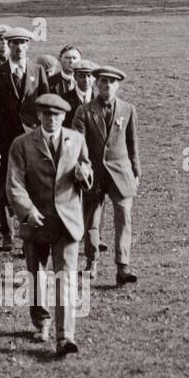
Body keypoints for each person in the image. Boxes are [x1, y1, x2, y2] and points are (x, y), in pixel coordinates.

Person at [6, 94, 93, 357]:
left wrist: (84, 176)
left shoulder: (76, 140)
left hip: (67, 221)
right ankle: (41, 320)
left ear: (64, 117)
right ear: (39, 116)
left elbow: (87, 168)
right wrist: (27, 211)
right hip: (37, 220)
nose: (51, 120)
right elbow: (14, 183)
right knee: (36, 276)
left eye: (56, 115)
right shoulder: (22, 144)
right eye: (46, 115)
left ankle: (65, 337)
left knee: (65, 278)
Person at [0, 26, 50, 252]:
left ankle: (27, 233)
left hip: (32, 139)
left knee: (31, 187)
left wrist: (45, 137)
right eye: (14, 43)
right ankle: (7, 234)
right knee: (5, 187)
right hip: (4, 141)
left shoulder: (38, 71)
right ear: (8, 45)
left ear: (28, 45)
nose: (19, 47)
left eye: (23, 42)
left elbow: (46, 106)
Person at [72, 65, 140, 285]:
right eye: (103, 82)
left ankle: (123, 266)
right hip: (94, 172)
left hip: (121, 172)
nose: (107, 86)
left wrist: (136, 170)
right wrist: (82, 166)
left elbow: (132, 143)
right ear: (96, 84)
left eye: (112, 82)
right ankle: (91, 262)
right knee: (91, 219)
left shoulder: (128, 109)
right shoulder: (84, 111)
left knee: (124, 216)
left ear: (118, 85)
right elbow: (77, 142)